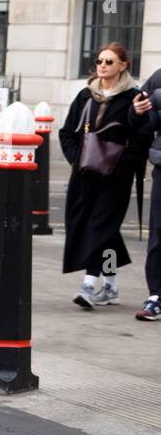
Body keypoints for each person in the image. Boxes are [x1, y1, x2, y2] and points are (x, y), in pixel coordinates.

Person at [58, 42, 153, 309]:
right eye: (100, 60)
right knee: (100, 229)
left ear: (123, 65)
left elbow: (141, 138)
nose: (102, 65)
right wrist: (77, 159)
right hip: (85, 174)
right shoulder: (86, 96)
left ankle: (89, 284)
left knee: (99, 227)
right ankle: (110, 286)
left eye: (109, 61)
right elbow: (67, 133)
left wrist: (121, 165)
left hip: (116, 178)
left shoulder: (133, 98)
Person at [130, 67, 161, 320]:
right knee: (159, 233)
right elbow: (146, 121)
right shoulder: (159, 78)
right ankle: (156, 296)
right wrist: (138, 113)